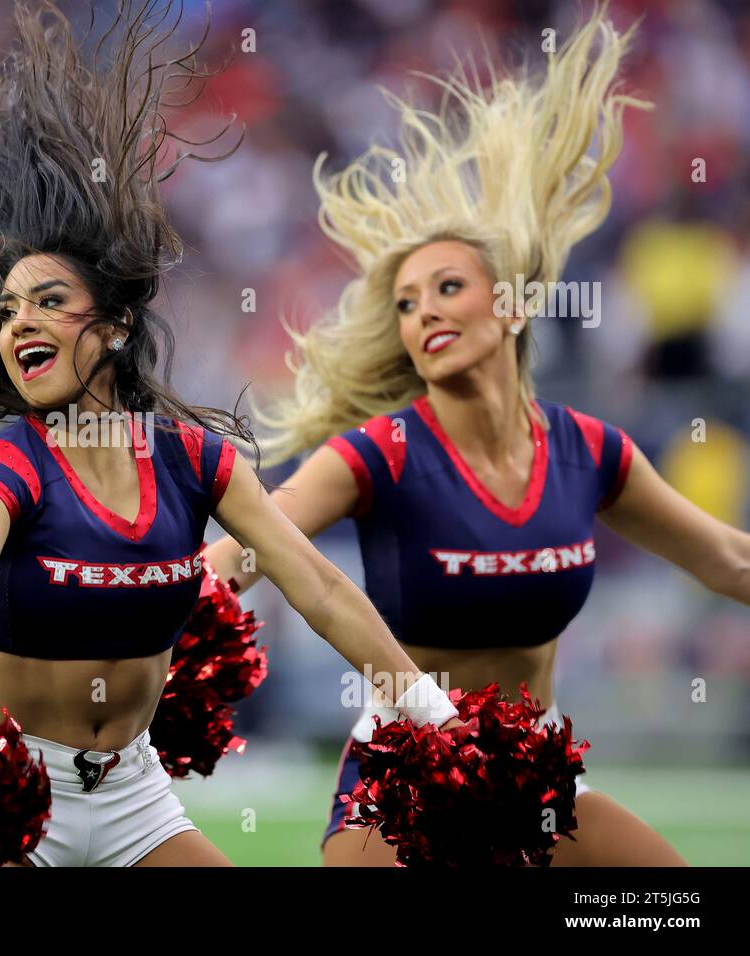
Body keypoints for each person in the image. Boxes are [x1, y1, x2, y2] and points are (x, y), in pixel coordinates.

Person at [0, 0, 459, 867]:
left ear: (115, 327)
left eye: (50, 302)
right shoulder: (8, 466)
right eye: (8, 310)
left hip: (136, 793)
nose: (20, 321)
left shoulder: (193, 462)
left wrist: (428, 711)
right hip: (11, 794)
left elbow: (317, 586)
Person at [205, 5, 749, 866]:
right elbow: (251, 542)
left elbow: (729, 560)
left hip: (536, 782)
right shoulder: (380, 454)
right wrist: (175, 601)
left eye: (447, 288)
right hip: (405, 784)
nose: (424, 314)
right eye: (408, 304)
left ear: (514, 305)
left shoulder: (590, 453)